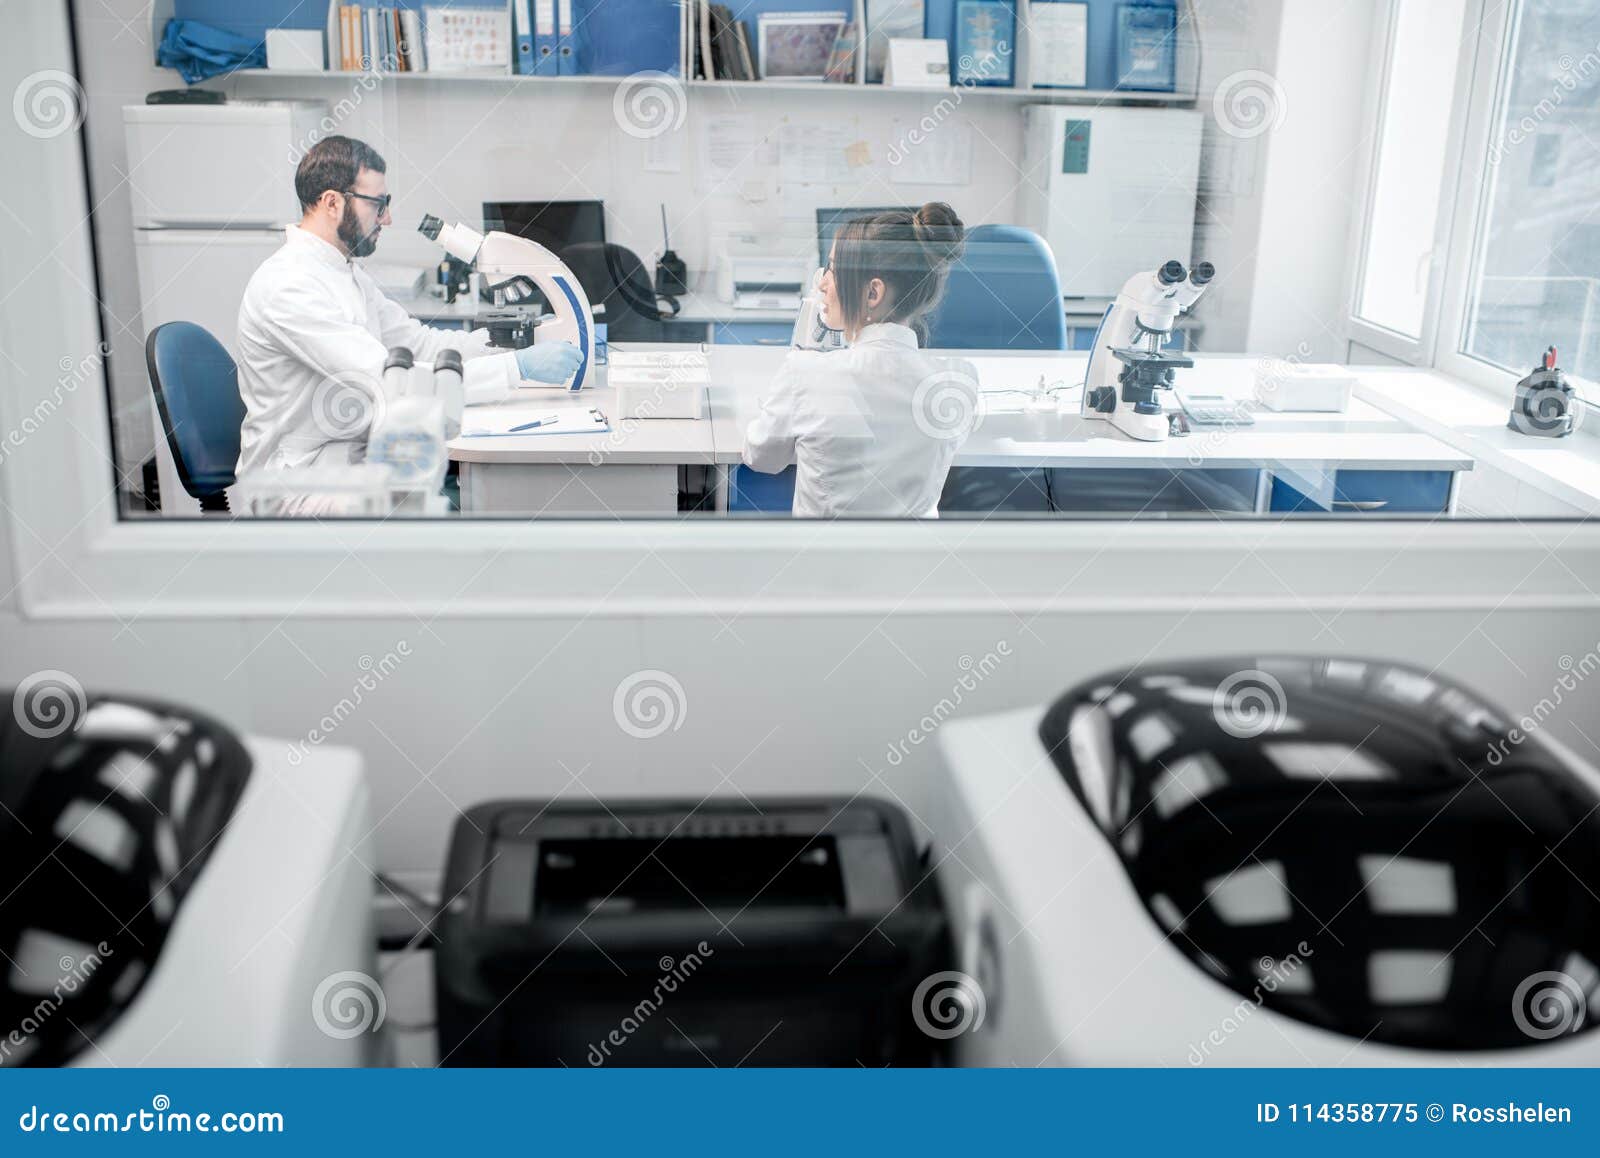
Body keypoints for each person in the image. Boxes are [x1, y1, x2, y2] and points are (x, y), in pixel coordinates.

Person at [235, 136, 581, 482]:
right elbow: (394, 385)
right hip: (302, 482)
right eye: (378, 204)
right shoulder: (290, 286)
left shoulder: (343, 270)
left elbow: (419, 344)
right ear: (332, 203)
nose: (387, 219)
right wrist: (516, 368)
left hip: (352, 455)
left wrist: (505, 342)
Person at [742, 203, 975, 518]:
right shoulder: (959, 381)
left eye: (834, 269)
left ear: (872, 294)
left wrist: (802, 366)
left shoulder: (805, 373)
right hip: (919, 565)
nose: (822, 283)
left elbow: (762, 458)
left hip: (825, 564)